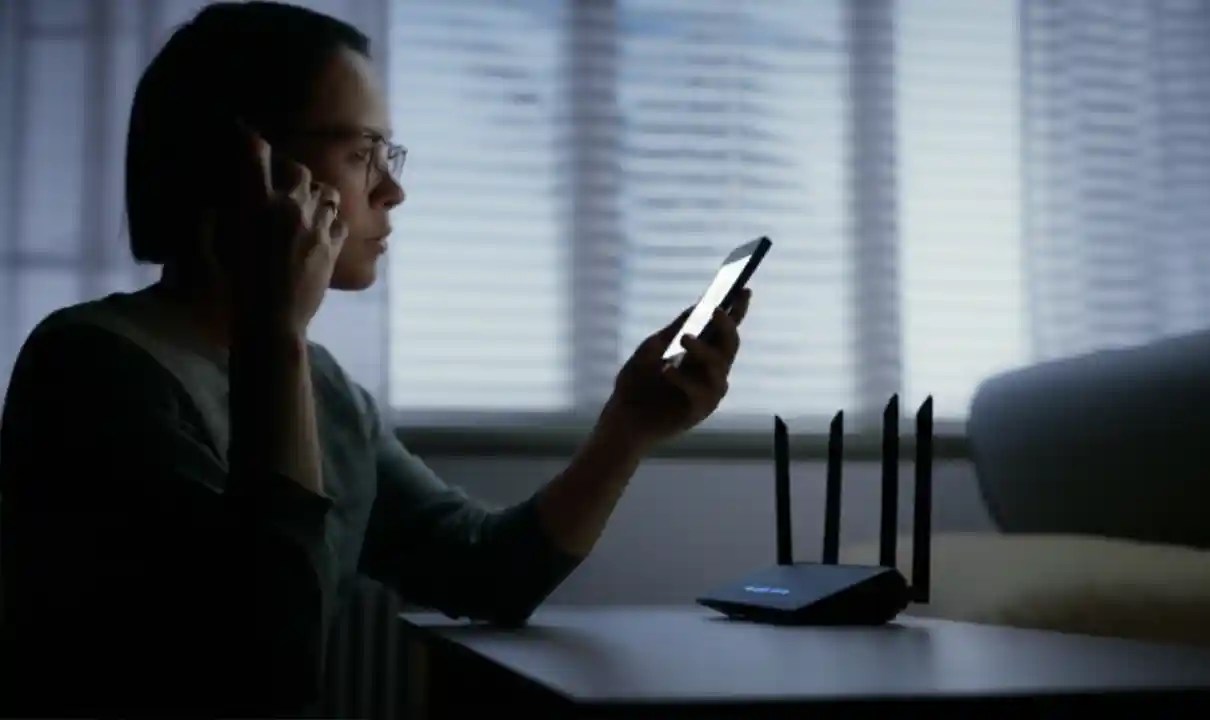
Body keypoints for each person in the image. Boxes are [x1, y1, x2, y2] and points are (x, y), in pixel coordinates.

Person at [0, 2, 750, 717]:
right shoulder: (90, 368)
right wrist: (277, 331)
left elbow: (488, 571)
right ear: (243, 166)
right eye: (361, 153)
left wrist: (626, 430)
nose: (393, 189)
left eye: (387, 154)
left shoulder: (323, 388)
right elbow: (266, 662)